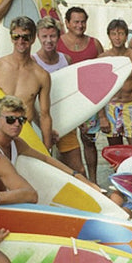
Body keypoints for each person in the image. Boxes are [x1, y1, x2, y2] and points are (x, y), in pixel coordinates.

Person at [0, 96, 101, 192]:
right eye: (10, 119)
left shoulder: (16, 143)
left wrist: (77, 176)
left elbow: (46, 159)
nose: (17, 124)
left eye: (21, 120)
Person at [0, 16, 54, 147]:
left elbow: (45, 115)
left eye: (26, 37)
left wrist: (47, 147)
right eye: (16, 36)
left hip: (23, 135)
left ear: (34, 38)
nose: (21, 41)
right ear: (11, 37)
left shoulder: (41, 75)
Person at [33, 16, 86, 178]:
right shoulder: (32, 62)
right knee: (46, 172)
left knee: (78, 170)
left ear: (58, 36)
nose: (49, 40)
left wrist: (80, 119)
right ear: (38, 37)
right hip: (40, 123)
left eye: (52, 36)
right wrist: (43, 127)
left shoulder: (66, 60)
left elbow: (72, 92)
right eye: (44, 36)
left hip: (65, 121)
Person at [60, 6, 107, 183]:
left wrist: (101, 112)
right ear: (67, 23)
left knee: (89, 142)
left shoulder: (94, 44)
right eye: (76, 22)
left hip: (89, 101)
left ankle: (93, 181)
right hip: (66, 103)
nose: (80, 25)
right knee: (66, 146)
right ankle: (71, 182)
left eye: (83, 22)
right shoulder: (57, 42)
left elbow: (104, 76)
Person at [102, 19, 132, 145]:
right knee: (115, 147)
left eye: (121, 34)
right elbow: (99, 91)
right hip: (111, 107)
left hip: (131, 105)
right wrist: (102, 116)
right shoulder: (103, 59)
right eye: (114, 34)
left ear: (126, 36)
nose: (117, 38)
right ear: (109, 36)